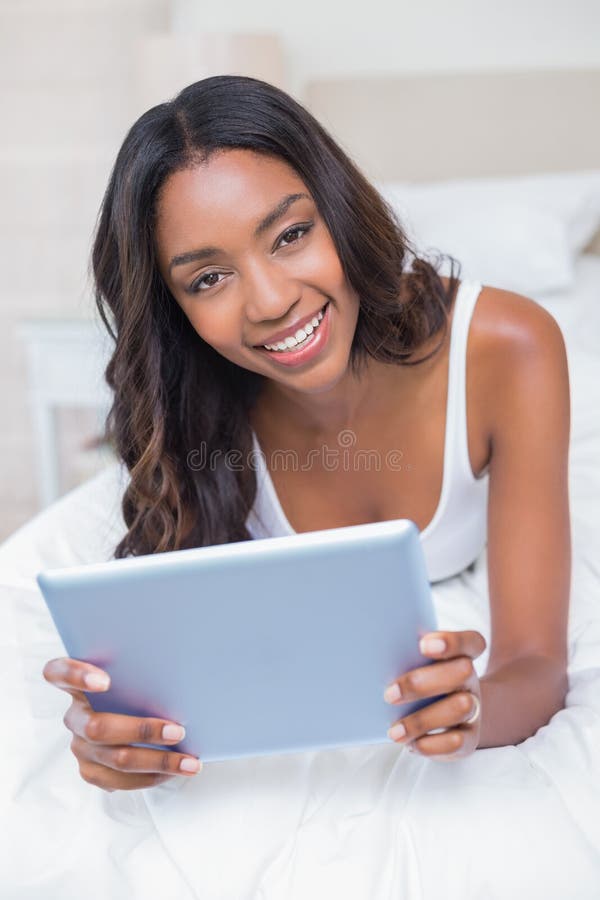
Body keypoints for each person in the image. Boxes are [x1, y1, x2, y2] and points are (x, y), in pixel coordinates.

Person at [42, 75, 570, 794]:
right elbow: (184, 676)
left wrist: (474, 711)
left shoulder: (508, 347)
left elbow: (535, 663)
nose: (271, 302)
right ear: (176, 310)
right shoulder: (201, 409)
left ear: (340, 210)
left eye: (291, 235)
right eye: (209, 279)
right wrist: (121, 741)